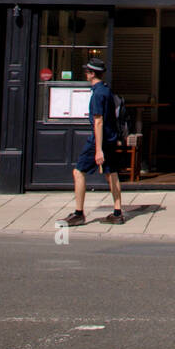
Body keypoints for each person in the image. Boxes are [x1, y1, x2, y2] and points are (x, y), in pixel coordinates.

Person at [64, 58, 124, 226]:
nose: (85, 74)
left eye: (87, 71)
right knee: (111, 173)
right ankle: (117, 212)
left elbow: (98, 121)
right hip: (111, 138)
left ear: (91, 74)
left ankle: (78, 213)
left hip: (100, 140)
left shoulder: (98, 94)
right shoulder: (106, 90)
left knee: (78, 172)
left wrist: (98, 149)